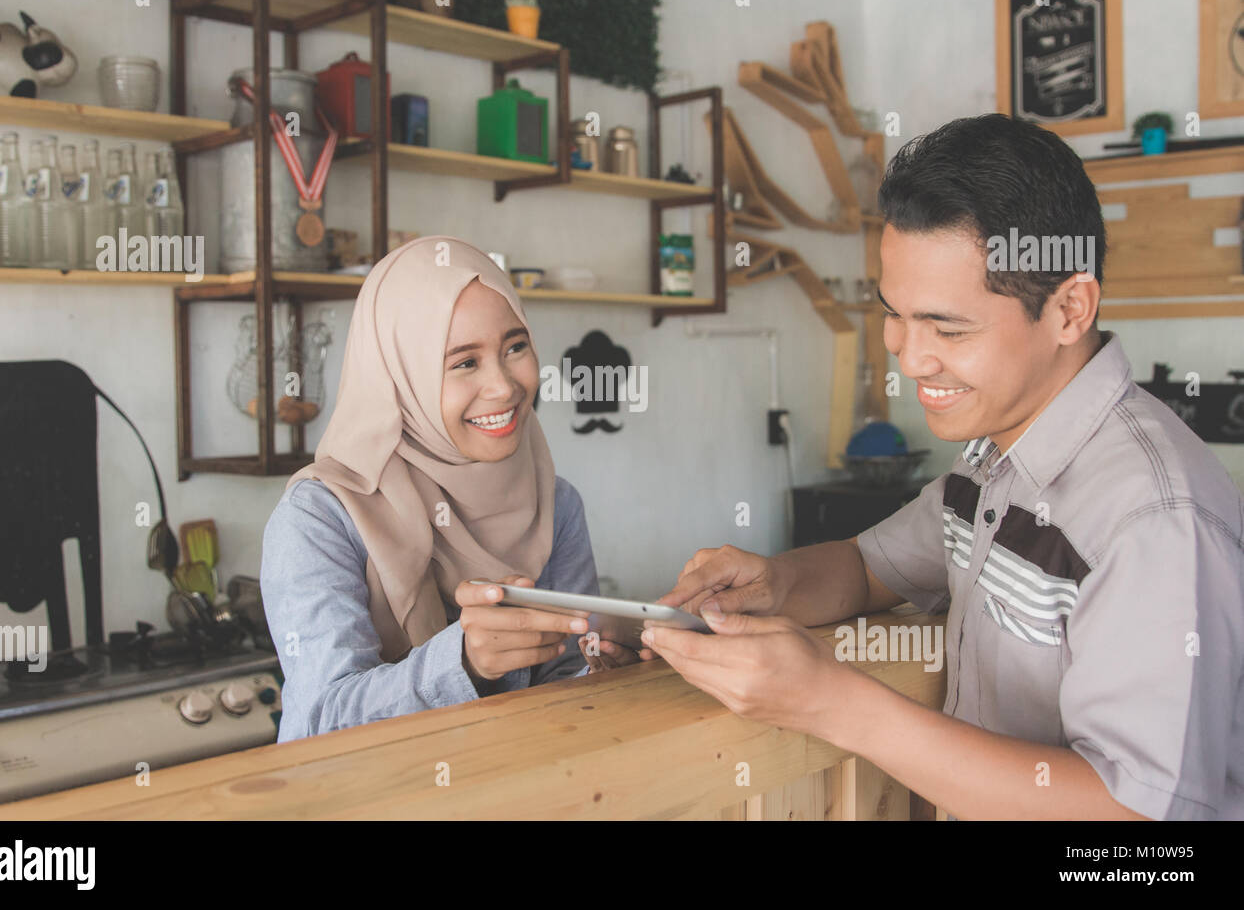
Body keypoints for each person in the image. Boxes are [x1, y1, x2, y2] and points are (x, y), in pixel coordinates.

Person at [643, 113, 1244, 820]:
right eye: (894, 313)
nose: (909, 356)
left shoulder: (1156, 521)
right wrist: (772, 584)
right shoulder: (993, 455)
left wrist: (833, 703)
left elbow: (1141, 834)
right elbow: (872, 567)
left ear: (1069, 309)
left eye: (948, 327)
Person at [259, 236, 631, 742]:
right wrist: (463, 661)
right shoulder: (321, 516)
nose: (504, 386)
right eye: (464, 362)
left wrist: (609, 671)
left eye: (515, 347)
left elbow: (563, 680)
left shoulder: (555, 502)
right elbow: (325, 715)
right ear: (400, 376)